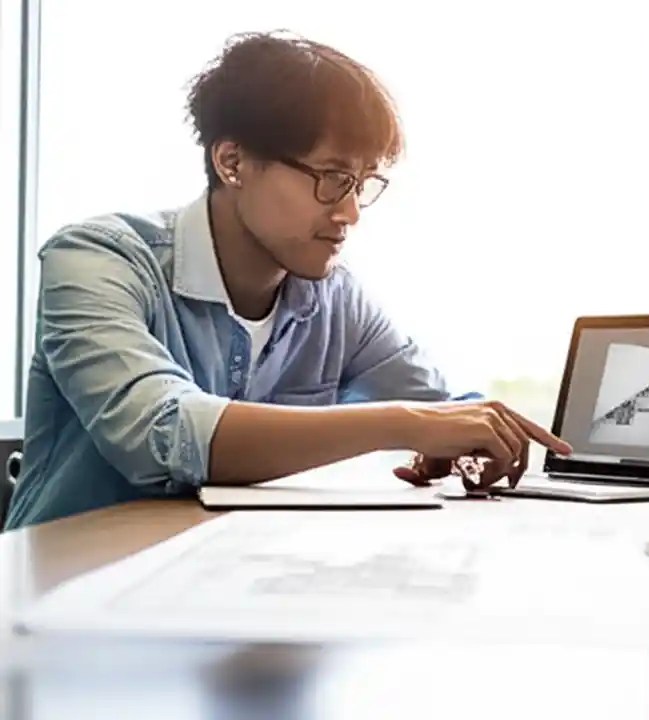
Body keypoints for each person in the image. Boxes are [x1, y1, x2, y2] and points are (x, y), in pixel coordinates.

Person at [4, 32, 570, 529]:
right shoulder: (98, 260)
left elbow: (442, 407)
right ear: (232, 162)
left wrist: (476, 440)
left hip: (229, 591)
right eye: (331, 178)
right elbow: (165, 434)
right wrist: (403, 425)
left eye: (362, 182)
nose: (350, 212)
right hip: (59, 595)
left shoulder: (335, 298)